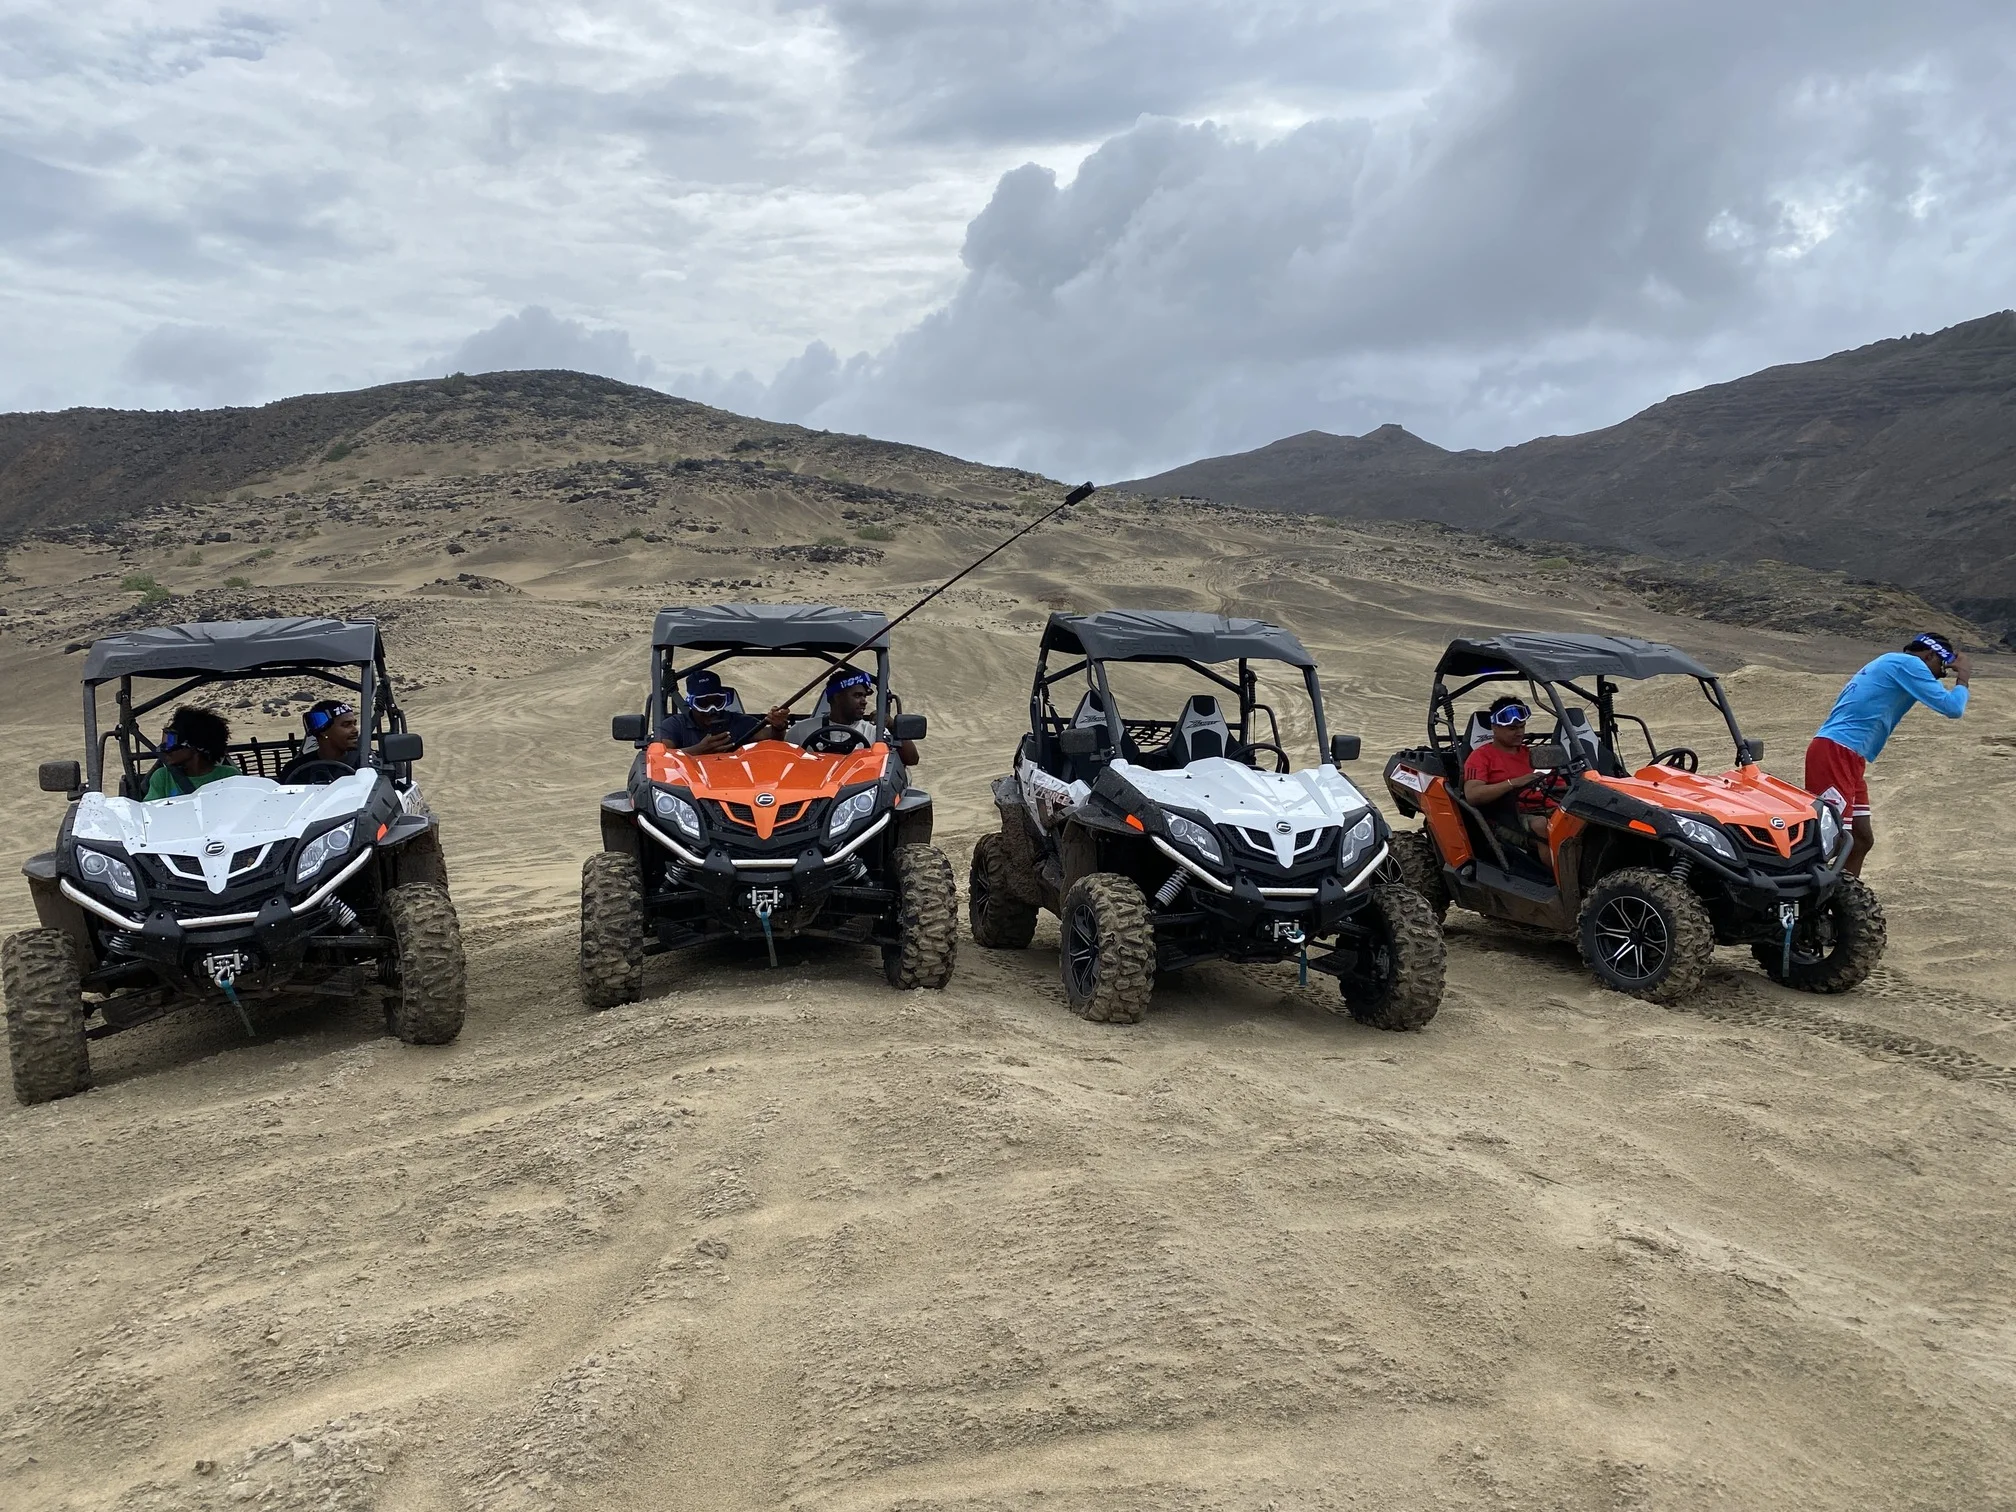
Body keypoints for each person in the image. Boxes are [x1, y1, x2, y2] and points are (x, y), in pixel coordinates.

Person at [1806, 632, 1972, 876]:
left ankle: (1845, 898)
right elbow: (1953, 708)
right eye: (1942, 667)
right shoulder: (1910, 664)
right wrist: (1964, 677)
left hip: (1849, 753)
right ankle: (1811, 901)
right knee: (1834, 838)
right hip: (1836, 750)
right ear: (1930, 655)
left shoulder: (1892, 662)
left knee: (1861, 839)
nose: (1939, 675)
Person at [1462, 695, 1557, 857]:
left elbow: (1558, 784)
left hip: (1546, 807)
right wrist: (1514, 783)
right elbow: (1472, 795)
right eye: (1512, 729)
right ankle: (1560, 881)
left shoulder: (1532, 754)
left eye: (1522, 727)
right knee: (1544, 827)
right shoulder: (1481, 757)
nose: (1519, 732)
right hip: (1508, 818)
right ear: (1494, 727)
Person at [788, 667, 921, 766]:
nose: (864, 701)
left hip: (859, 797)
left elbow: (912, 759)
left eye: (864, 696)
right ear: (837, 697)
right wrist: (778, 728)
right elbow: (782, 761)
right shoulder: (802, 730)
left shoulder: (876, 732)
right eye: (857, 696)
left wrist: (893, 726)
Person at [658, 669, 791, 755]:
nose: (712, 710)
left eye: (717, 702)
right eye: (703, 704)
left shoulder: (738, 722)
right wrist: (698, 750)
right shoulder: (674, 725)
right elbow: (660, 756)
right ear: (691, 704)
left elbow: (772, 738)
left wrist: (778, 725)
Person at [143, 707, 241, 800]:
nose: (165, 749)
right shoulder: (163, 777)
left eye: (172, 742)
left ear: (196, 746)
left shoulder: (229, 776)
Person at [278, 700, 361, 783]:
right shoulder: (296, 769)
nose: (355, 730)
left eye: (354, 724)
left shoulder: (365, 762)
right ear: (323, 731)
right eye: (346, 725)